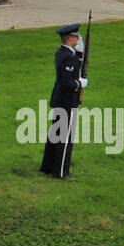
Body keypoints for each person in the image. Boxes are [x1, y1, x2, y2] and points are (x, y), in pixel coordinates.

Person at [41, 23, 87, 180]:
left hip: (59, 99)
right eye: (76, 36)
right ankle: (60, 171)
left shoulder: (61, 53)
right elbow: (67, 81)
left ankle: (47, 165)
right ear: (70, 38)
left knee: (55, 133)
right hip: (67, 101)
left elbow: (72, 67)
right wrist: (80, 84)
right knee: (66, 137)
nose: (78, 38)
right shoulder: (68, 56)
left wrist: (79, 56)